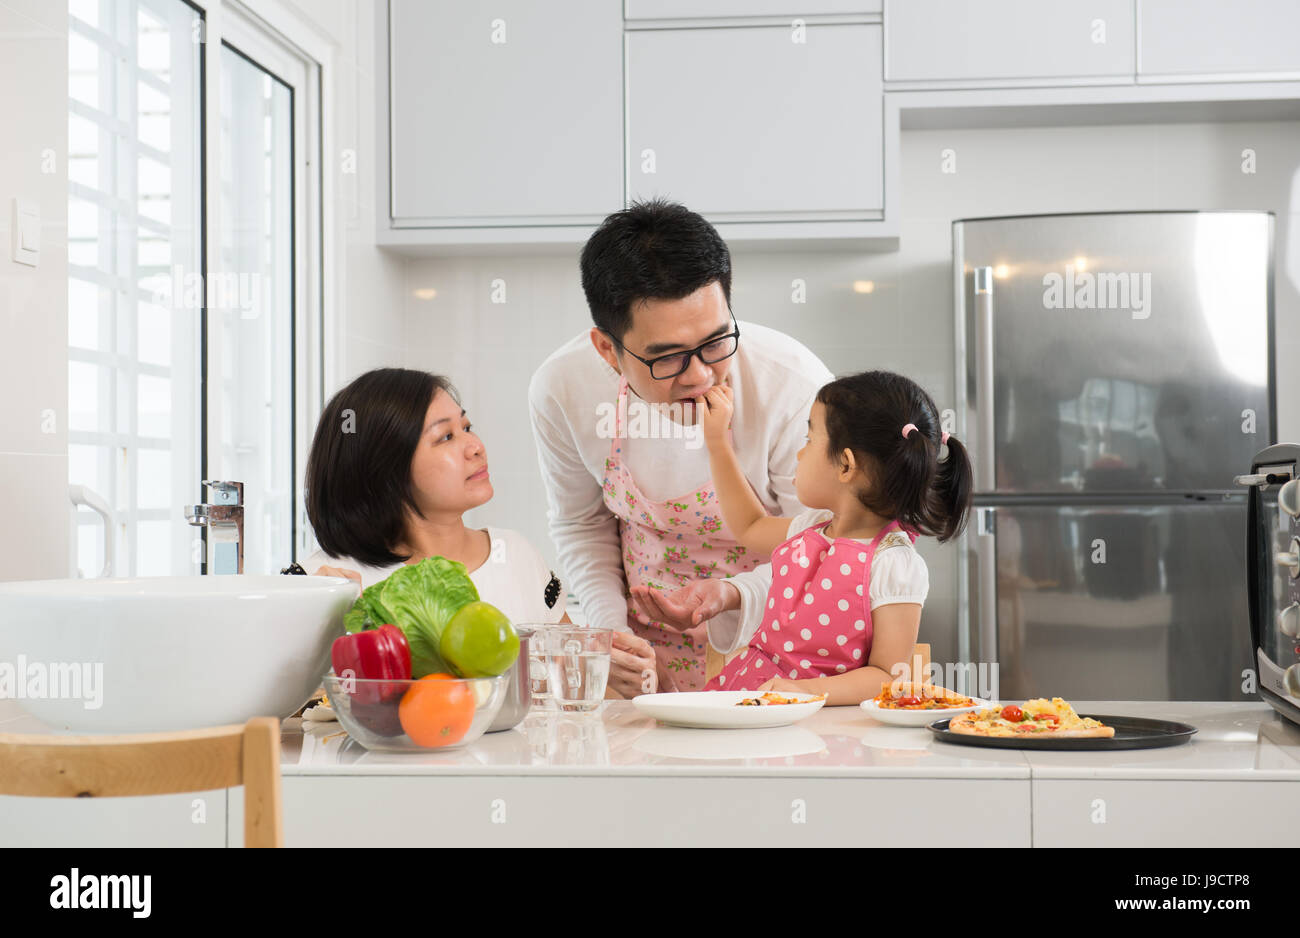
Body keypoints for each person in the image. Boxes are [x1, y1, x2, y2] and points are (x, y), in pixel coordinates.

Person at [528, 199, 833, 697]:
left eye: (716, 343)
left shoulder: (794, 389)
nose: (700, 375)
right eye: (666, 358)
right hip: (645, 662)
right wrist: (614, 640)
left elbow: (821, 550)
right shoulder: (562, 389)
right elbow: (582, 524)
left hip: (776, 650)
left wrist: (731, 601)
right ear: (607, 349)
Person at [634, 371, 973, 706]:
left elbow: (889, 676)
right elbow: (750, 525)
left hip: (821, 728)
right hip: (758, 699)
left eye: (809, 440)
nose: (799, 453)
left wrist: (805, 693)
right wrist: (718, 444)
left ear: (845, 466)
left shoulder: (893, 563)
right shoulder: (813, 528)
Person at [303, 367, 567, 628]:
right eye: (447, 437)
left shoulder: (517, 556)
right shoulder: (324, 583)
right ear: (385, 469)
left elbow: (573, 663)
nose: (476, 447)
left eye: (467, 427)